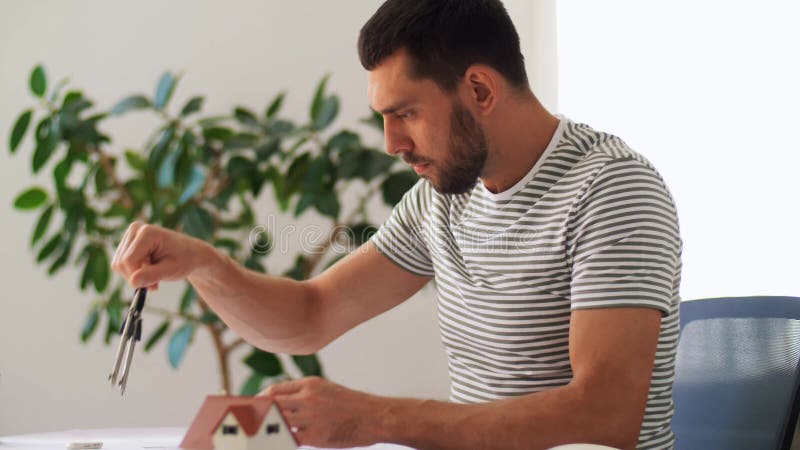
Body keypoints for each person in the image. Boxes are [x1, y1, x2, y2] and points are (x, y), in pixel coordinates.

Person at [111, 0, 682, 449]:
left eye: (405, 113)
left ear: (479, 89)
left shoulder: (612, 189)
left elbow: (605, 416)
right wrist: (204, 265)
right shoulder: (442, 200)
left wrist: (376, 418)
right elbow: (309, 317)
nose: (391, 144)